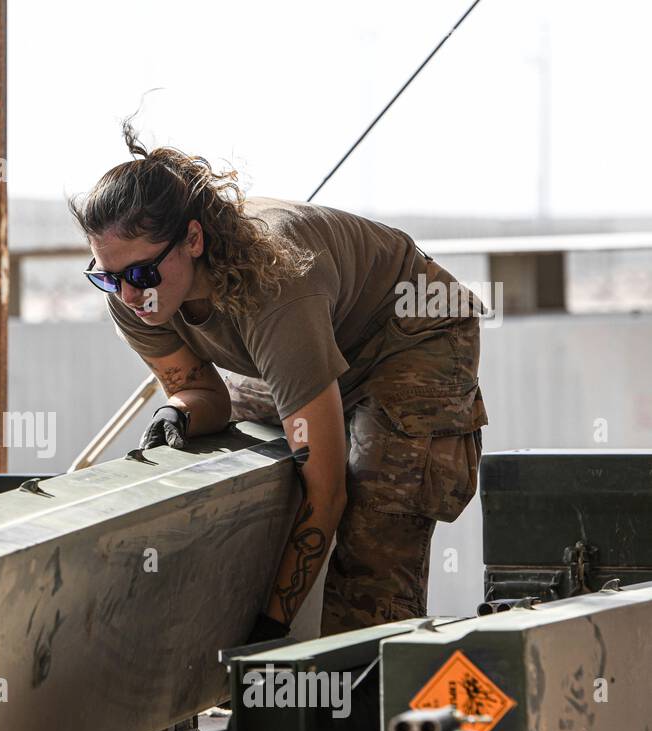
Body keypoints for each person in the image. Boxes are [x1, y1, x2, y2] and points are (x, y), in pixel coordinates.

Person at [68, 123, 489, 641]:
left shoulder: (275, 288)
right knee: (239, 451)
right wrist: (176, 411)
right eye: (107, 277)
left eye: (140, 275)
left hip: (410, 334)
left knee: (375, 518)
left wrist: (270, 630)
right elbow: (207, 396)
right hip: (316, 342)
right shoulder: (132, 296)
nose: (128, 296)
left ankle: (362, 706)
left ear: (193, 240)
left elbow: (327, 490)